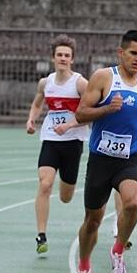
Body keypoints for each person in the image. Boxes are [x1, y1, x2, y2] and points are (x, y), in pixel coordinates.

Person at [72, 30, 137, 273]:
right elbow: (81, 113)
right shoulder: (104, 78)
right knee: (93, 221)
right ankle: (84, 269)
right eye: (133, 53)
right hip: (100, 160)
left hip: (129, 158)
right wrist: (106, 109)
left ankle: (118, 250)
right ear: (120, 53)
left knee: (133, 201)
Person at [25, 34, 89, 254]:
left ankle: (67, 188)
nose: (63, 58)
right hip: (51, 139)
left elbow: (90, 112)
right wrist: (31, 119)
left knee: (65, 196)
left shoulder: (80, 83)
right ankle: (41, 235)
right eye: (59, 55)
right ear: (53, 58)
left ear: (72, 59)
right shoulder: (46, 82)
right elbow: (37, 104)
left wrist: (70, 125)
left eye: (67, 55)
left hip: (73, 142)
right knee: (44, 184)